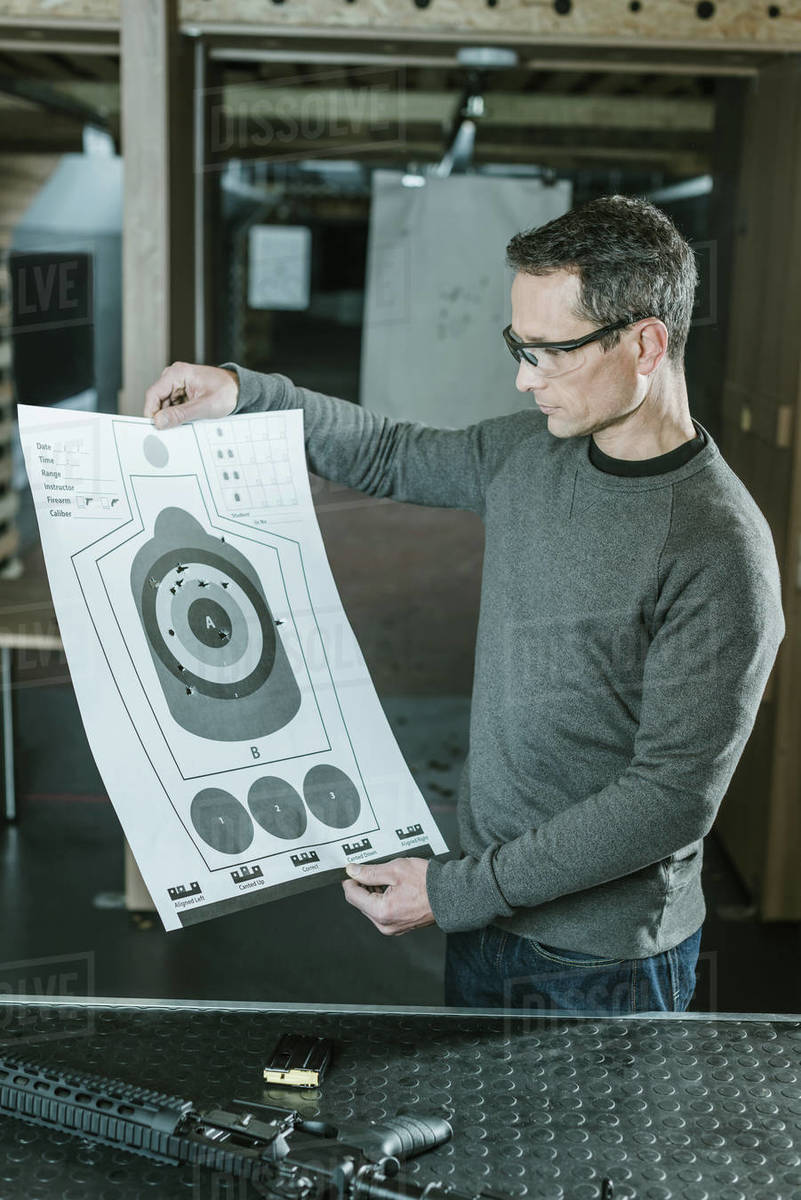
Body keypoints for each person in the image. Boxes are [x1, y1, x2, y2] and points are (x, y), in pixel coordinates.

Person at [144, 194, 785, 1015]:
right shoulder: (527, 452)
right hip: (482, 917)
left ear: (645, 344)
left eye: (550, 352)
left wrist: (454, 892)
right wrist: (244, 392)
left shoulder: (718, 550)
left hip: (600, 960)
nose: (523, 378)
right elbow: (388, 452)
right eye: (518, 346)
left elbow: (666, 802)